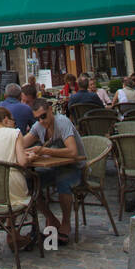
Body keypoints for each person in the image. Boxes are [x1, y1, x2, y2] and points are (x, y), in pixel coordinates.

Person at [23, 98, 84, 245]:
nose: (41, 121)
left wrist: (43, 150)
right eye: (37, 118)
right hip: (54, 167)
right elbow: (23, 143)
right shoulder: (38, 126)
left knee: (63, 182)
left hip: (75, 167)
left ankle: (65, 224)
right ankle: (51, 217)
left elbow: (73, 152)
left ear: (50, 110)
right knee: (29, 184)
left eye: (43, 116)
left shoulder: (62, 122)